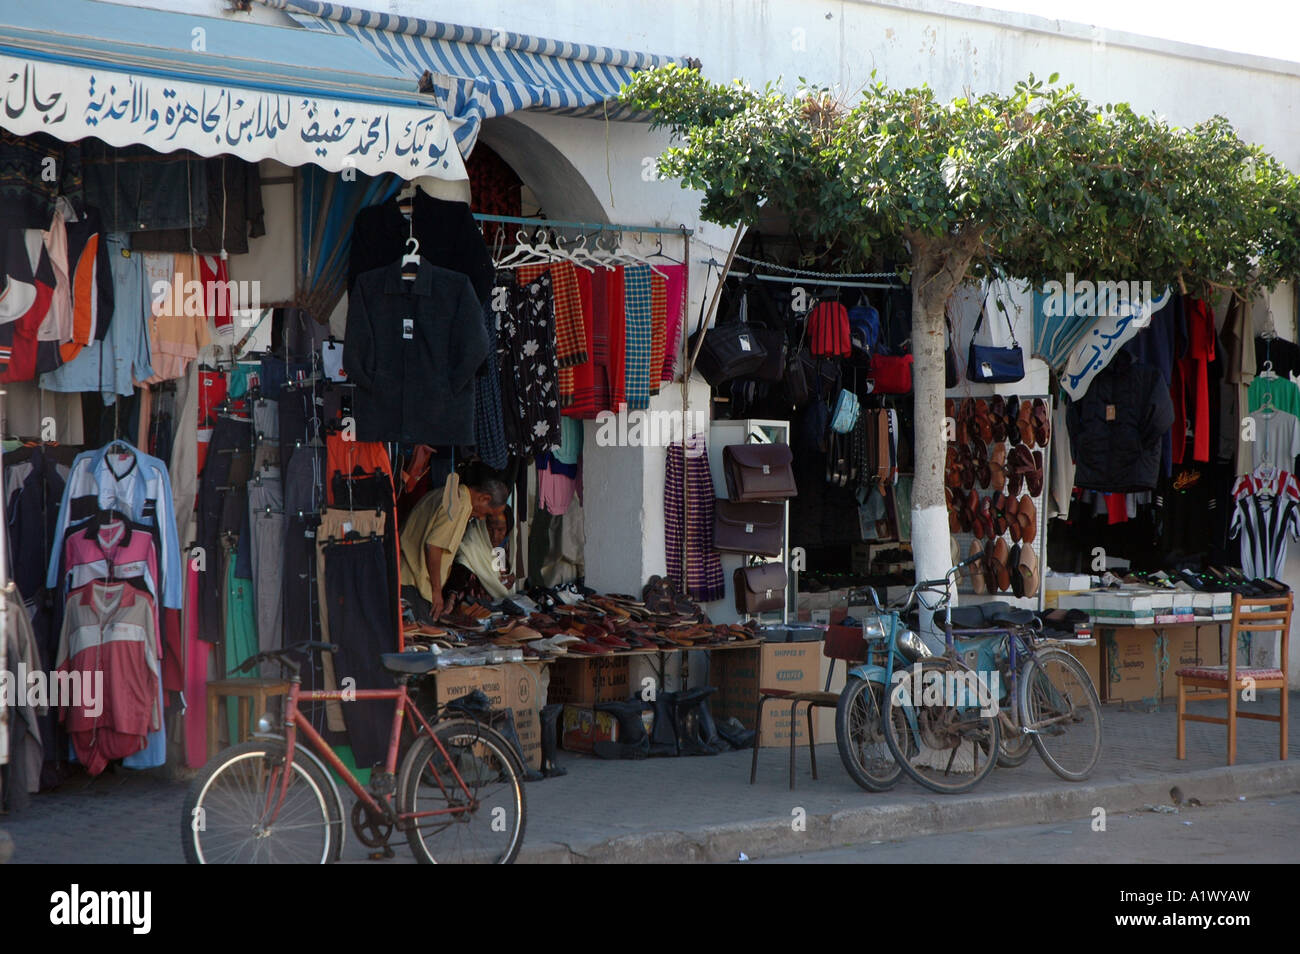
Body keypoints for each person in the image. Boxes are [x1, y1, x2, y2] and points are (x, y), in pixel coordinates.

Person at [399, 471, 508, 622]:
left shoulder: (449, 493)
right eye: (487, 514)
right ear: (484, 498)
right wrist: (437, 593)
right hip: (412, 581)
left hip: (405, 575)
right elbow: (434, 546)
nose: (482, 518)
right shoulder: (460, 505)